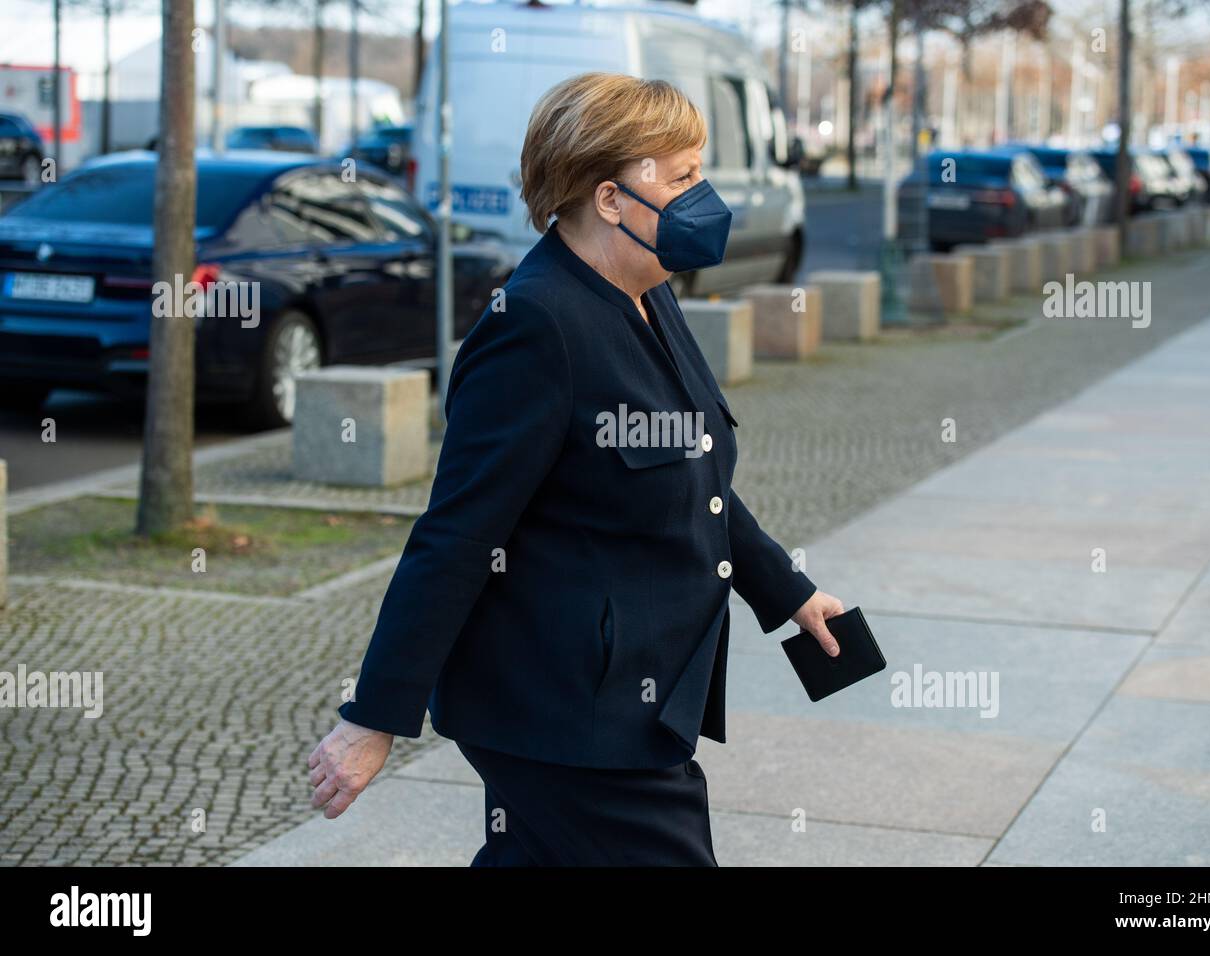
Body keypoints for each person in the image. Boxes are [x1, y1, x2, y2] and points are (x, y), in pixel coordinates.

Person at [307, 72, 843, 866]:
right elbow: (456, 534)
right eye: (685, 176)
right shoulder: (533, 325)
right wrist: (373, 716)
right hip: (572, 717)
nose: (707, 197)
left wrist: (784, 589)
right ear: (609, 197)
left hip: (625, 697)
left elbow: (698, 477)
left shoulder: (646, 290)